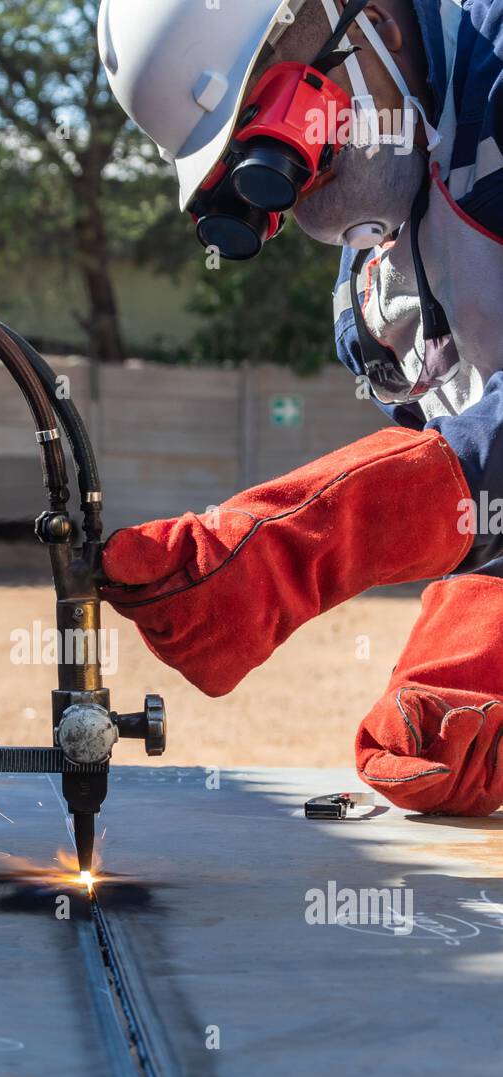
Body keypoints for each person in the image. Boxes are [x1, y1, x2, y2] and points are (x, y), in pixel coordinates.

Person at [97, 0, 503, 815]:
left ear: (370, 19)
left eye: (278, 113)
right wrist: (483, 635)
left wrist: (307, 544)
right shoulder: (389, 270)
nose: (297, 170)